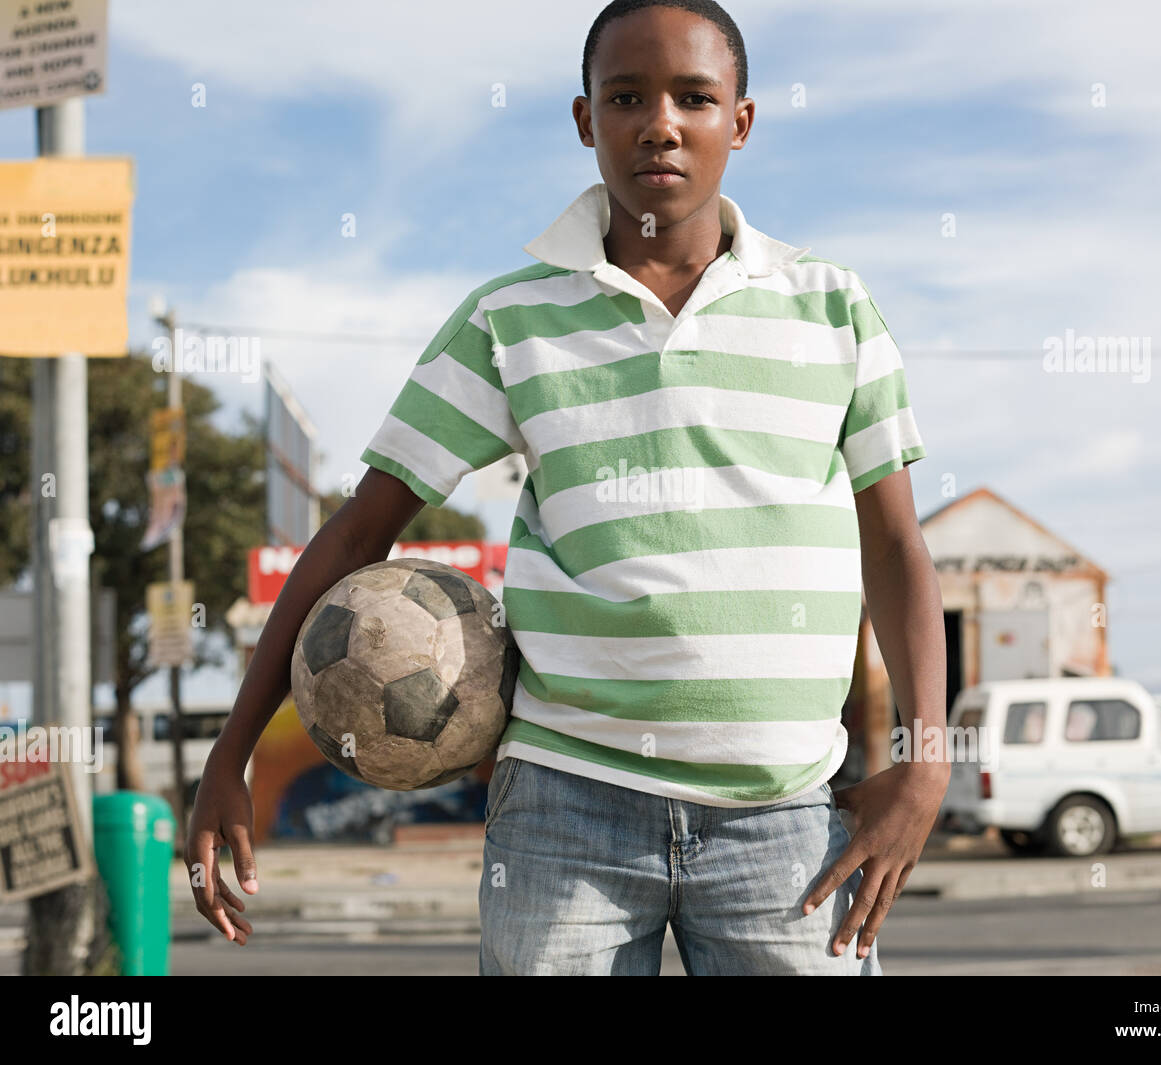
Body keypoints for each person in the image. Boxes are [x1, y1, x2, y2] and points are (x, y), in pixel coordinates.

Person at [186, 0, 949, 976]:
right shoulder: (510, 320)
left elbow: (894, 549)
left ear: (741, 122)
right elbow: (356, 531)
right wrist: (231, 752)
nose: (659, 123)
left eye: (694, 97)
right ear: (587, 119)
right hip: (564, 811)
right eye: (626, 96)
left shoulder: (833, 309)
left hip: (786, 820)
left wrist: (924, 762)